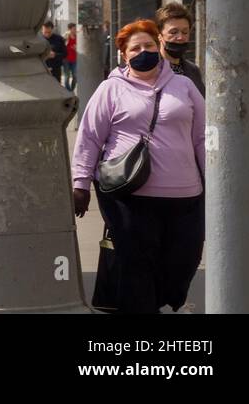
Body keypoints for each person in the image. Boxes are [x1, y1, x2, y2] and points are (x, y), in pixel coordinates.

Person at [71, 19, 205, 313]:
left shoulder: (183, 86)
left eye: (149, 45)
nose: (143, 51)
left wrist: (215, 181)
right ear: (124, 55)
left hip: (186, 194)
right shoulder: (110, 90)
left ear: (158, 46)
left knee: (185, 259)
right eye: (135, 47)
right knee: (136, 265)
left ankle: (160, 301)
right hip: (127, 195)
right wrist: (80, 184)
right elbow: (89, 138)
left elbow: (202, 137)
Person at [154, 1, 204, 97]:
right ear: (159, 35)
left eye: (185, 32)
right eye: (173, 32)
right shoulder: (150, 68)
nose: (180, 37)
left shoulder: (193, 70)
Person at [63, 23, 78, 92]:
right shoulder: (66, 36)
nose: (75, 30)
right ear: (70, 29)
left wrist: (76, 48)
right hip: (66, 59)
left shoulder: (77, 36)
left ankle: (71, 90)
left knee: (75, 76)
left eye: (75, 28)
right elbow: (62, 45)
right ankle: (68, 91)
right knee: (67, 77)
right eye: (74, 28)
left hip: (74, 59)